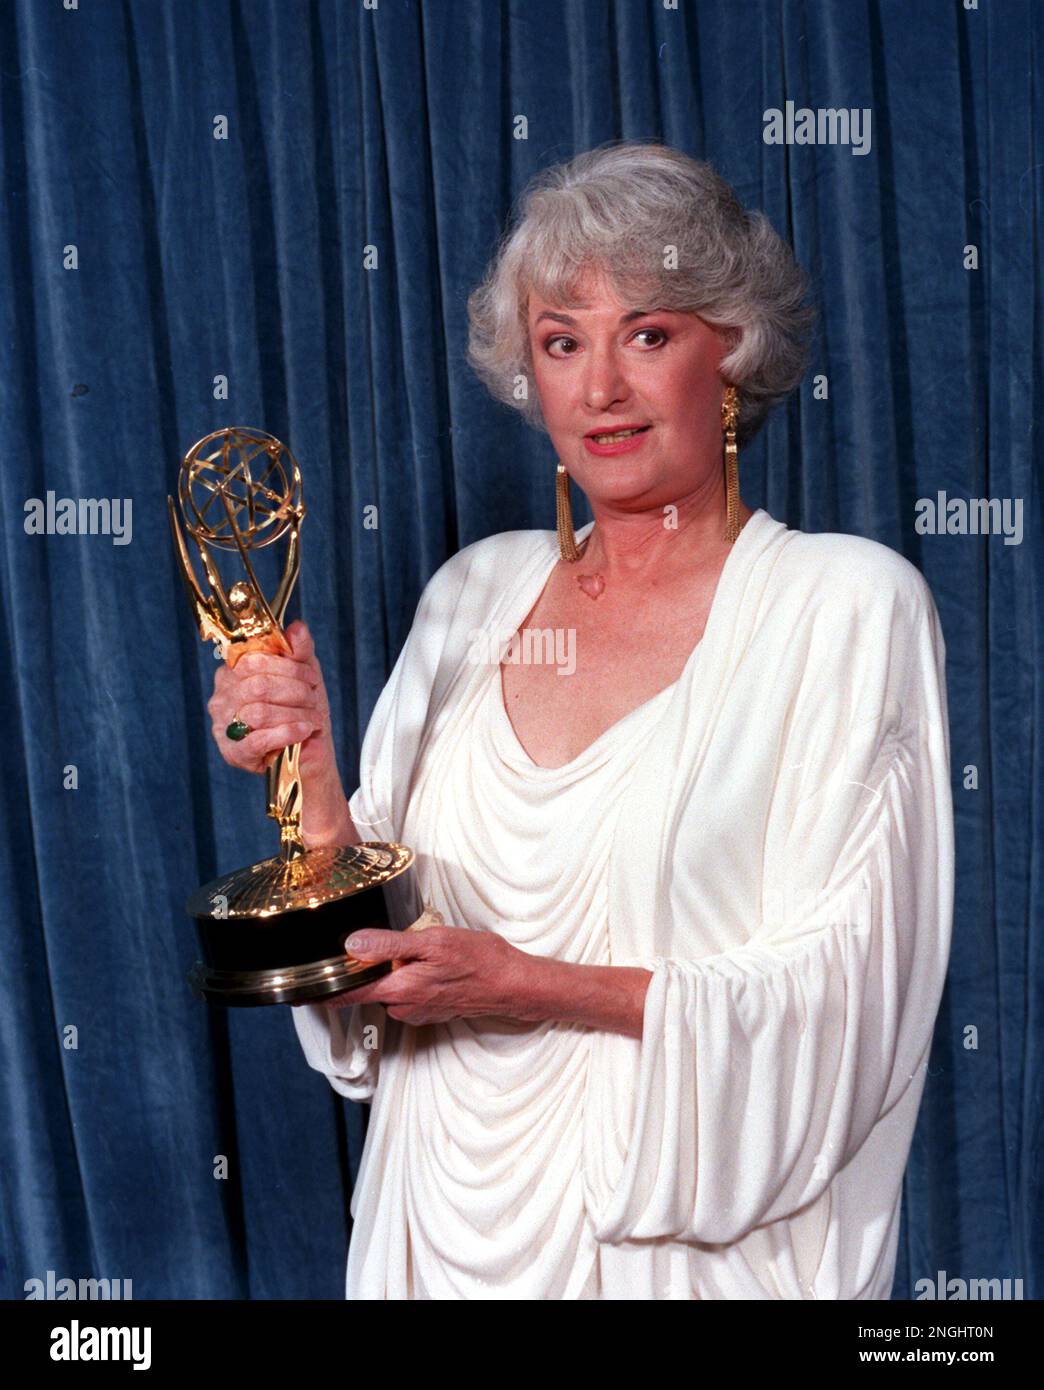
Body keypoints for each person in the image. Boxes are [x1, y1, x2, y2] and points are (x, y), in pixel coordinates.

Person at [206, 141, 954, 1300]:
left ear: (734, 353)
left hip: (675, 1257)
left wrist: (538, 985)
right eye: (562, 343)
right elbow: (366, 956)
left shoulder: (844, 606)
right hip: (432, 1230)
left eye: (647, 334)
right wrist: (308, 764)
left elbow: (848, 1003)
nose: (600, 388)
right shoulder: (473, 595)